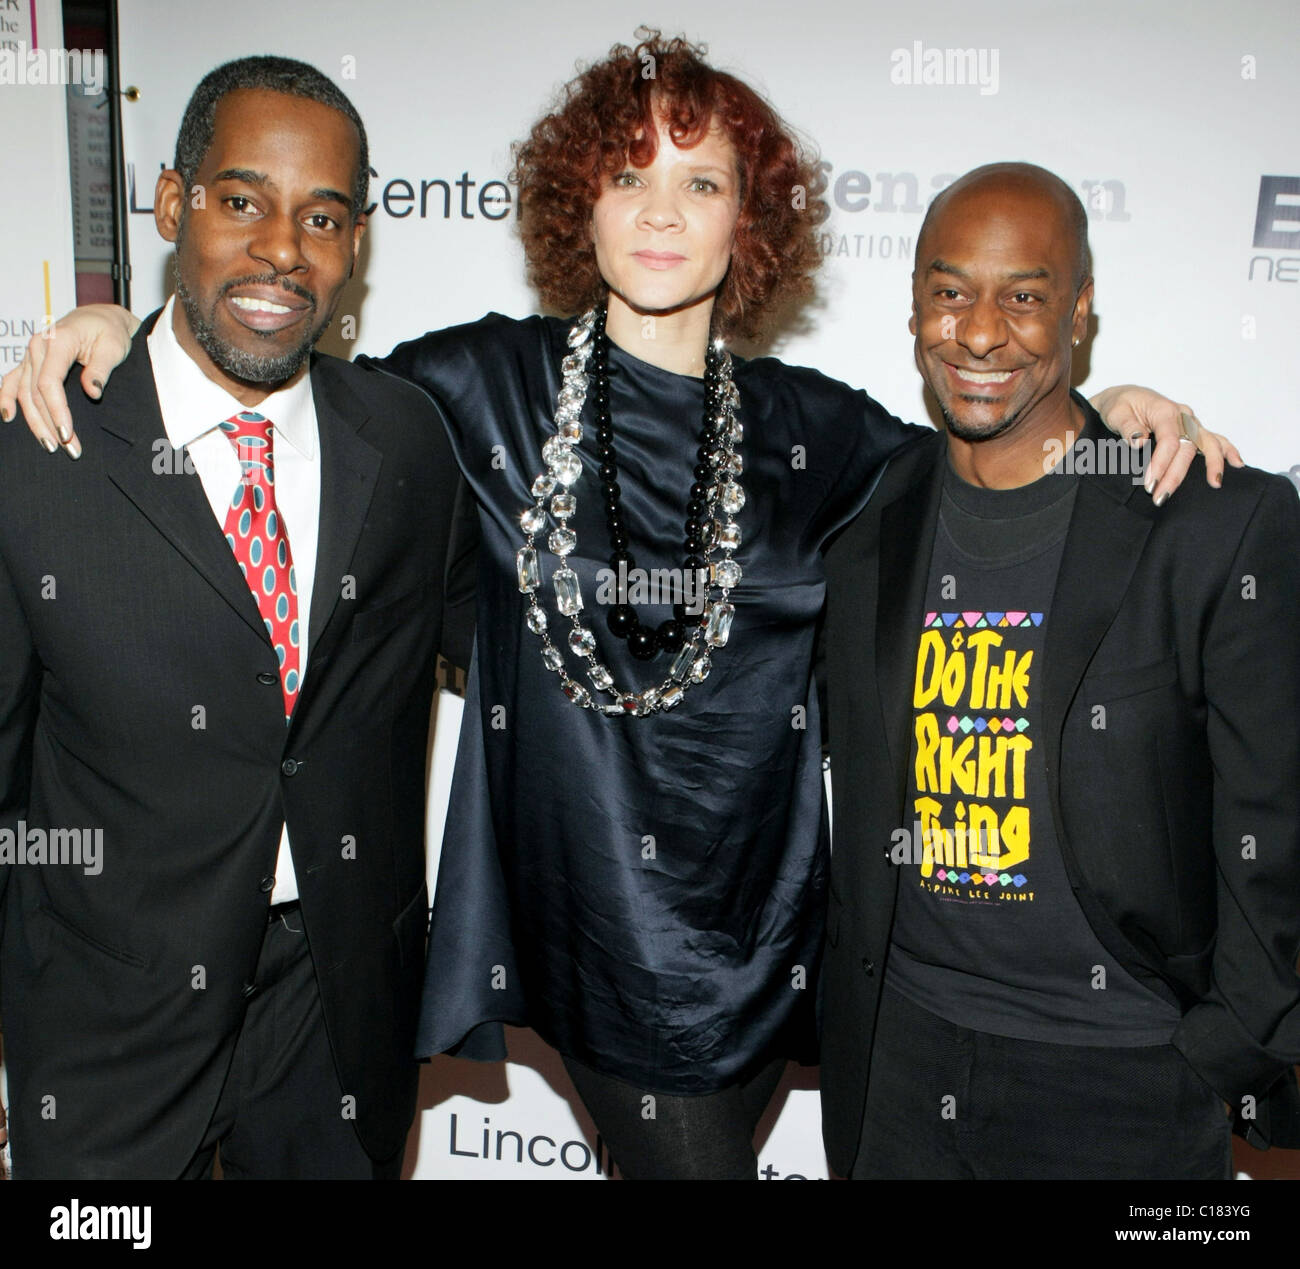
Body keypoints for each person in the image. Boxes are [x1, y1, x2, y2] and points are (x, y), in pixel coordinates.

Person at [0, 36, 1236, 1180]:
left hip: (757, 944)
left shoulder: (819, 434)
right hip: (584, 935)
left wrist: (1114, 402)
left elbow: (988, 448)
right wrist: (115, 327)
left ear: (745, 221)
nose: (659, 210)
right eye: (628, 173)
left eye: (700, 184)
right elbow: (257, 373)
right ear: (574, 202)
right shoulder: (466, 392)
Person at [0, 56, 460, 1178]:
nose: (281, 252)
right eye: (242, 201)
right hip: (106, 1020)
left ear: (355, 242)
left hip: (334, 1010)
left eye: (321, 217)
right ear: (172, 203)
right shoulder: (40, 452)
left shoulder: (404, 443)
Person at [818, 162, 1300, 1180]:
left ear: (1078, 310)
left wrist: (1225, 1054)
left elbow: (1278, 819)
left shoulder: (1210, 523)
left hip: (1125, 1077)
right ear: (914, 306)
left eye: (1023, 297)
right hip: (900, 1059)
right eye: (949, 292)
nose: (980, 333)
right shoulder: (867, 515)